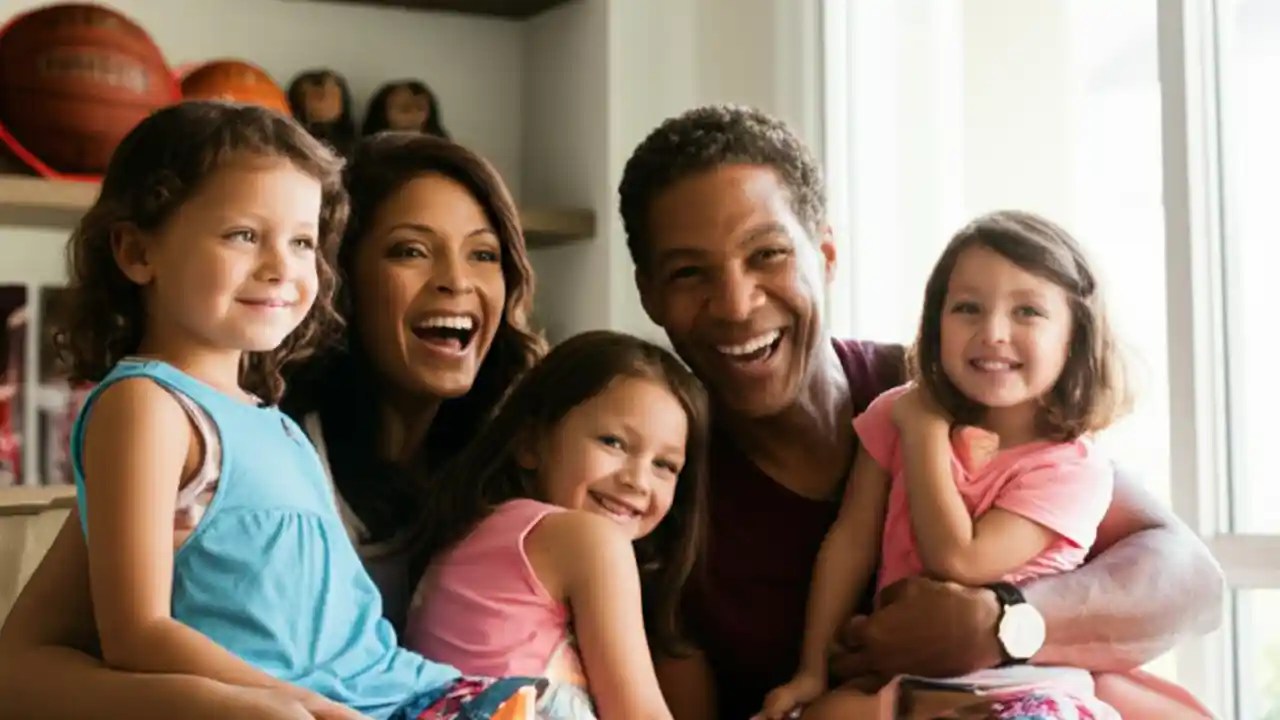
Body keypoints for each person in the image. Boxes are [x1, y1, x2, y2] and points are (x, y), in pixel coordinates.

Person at [616, 104, 1225, 720]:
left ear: (825, 255)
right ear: (649, 292)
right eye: (689, 272)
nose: (736, 304)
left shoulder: (949, 387)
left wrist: (1001, 623)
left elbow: (1192, 584)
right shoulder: (649, 482)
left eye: (767, 254)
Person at [0, 129, 545, 719]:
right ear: (136, 253)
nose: (280, 268)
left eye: (304, 243)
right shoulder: (149, 409)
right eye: (244, 235)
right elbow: (115, 640)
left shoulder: (272, 426)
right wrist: (287, 706)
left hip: (403, 693)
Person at [762, 210, 1129, 719]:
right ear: (936, 326)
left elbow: (957, 560)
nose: (993, 332)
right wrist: (811, 670)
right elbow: (851, 543)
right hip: (902, 678)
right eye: (967, 308)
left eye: (1027, 312)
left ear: (1075, 337)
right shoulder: (894, 412)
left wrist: (926, 433)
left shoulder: (1071, 468)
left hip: (1016, 689)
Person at [404, 330, 708, 718]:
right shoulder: (588, 540)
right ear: (531, 443)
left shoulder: (475, 531)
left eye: (664, 465)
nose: (637, 480)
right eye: (613, 442)